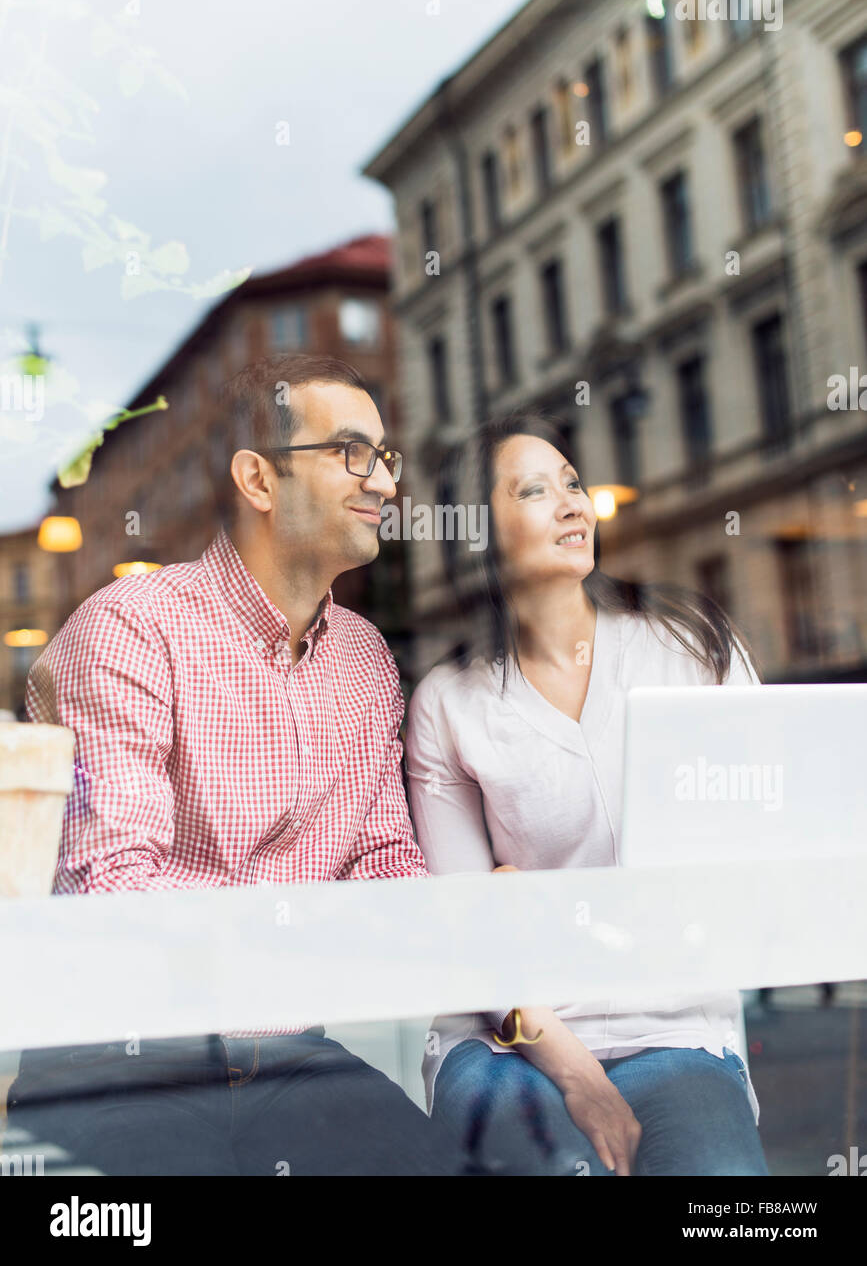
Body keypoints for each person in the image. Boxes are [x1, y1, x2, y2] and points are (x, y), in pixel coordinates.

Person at [6, 355, 462, 1177]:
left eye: (386, 457)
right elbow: (111, 890)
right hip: (125, 1058)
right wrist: (326, 939)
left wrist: (465, 912)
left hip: (290, 1057)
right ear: (258, 478)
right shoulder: (132, 628)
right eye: (351, 452)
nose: (385, 484)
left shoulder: (363, 659)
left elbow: (382, 857)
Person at [405, 413, 770, 1177]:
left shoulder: (688, 649)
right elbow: (471, 935)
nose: (574, 504)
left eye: (573, 483)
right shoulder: (449, 701)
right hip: (505, 1042)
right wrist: (579, 1078)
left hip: (674, 1031)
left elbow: (764, 833)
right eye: (535, 490)